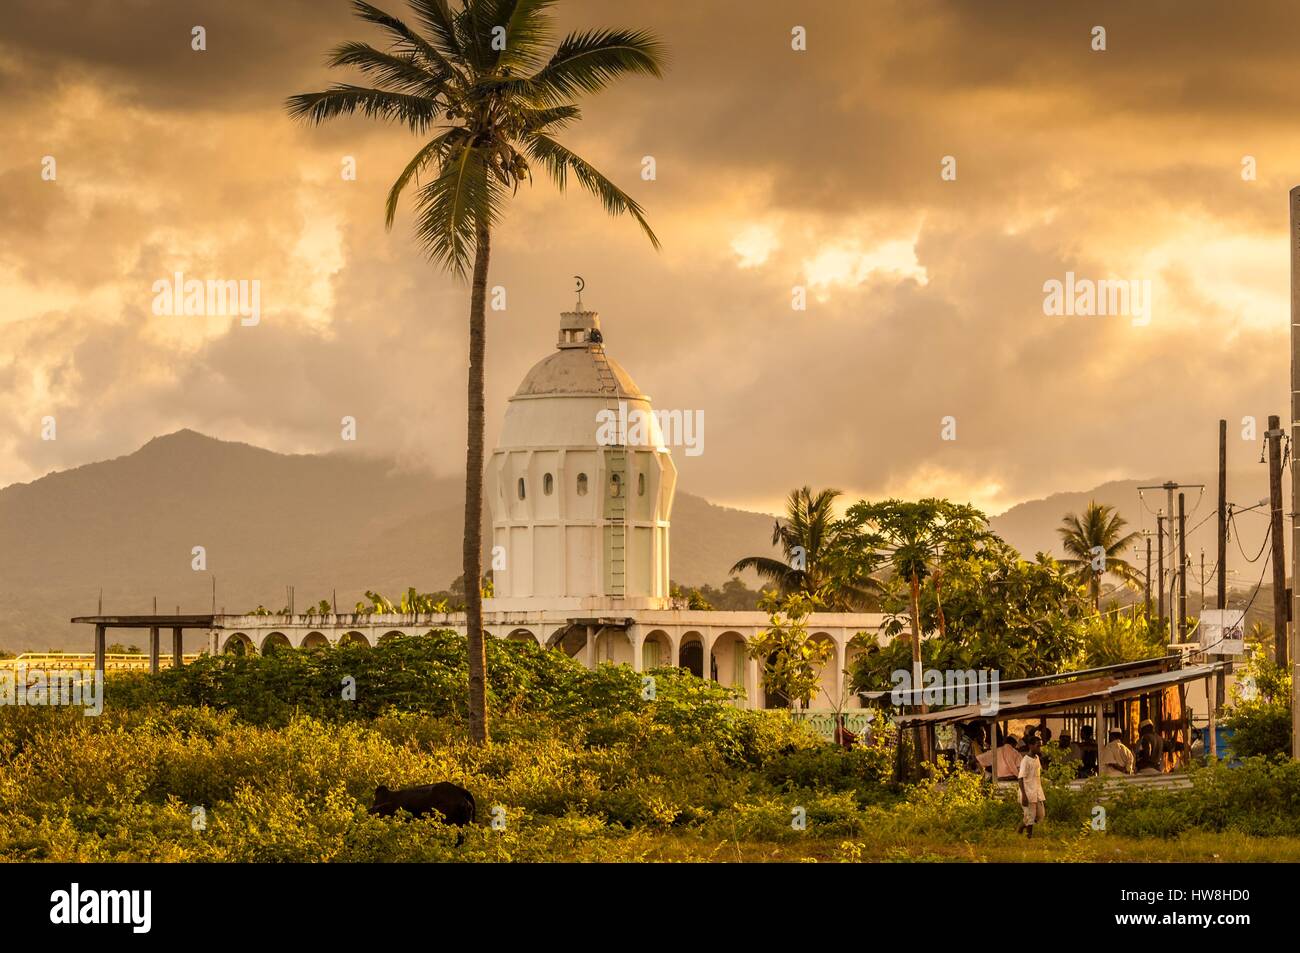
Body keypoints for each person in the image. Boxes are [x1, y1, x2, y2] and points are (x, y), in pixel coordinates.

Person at [1016, 736, 1046, 837]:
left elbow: (1040, 771)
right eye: (1038, 746)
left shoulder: (1036, 758)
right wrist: (1024, 795)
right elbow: (1020, 778)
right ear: (1031, 746)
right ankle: (1029, 837)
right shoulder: (1025, 760)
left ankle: (1021, 827)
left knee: (1040, 815)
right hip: (1027, 792)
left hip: (1037, 791)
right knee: (1030, 816)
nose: (1039, 749)